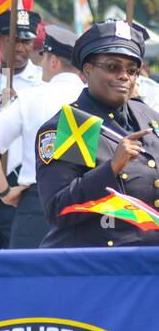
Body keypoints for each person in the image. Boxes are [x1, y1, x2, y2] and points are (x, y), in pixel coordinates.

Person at [37, 21, 159, 248]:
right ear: (86, 71)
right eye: (113, 67)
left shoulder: (149, 116)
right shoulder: (76, 125)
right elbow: (59, 209)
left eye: (131, 70)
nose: (124, 76)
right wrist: (111, 167)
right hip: (98, 263)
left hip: (147, 262)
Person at [0, 24, 84, 249]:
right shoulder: (93, 98)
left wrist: (4, 191)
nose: (40, 62)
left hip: (37, 203)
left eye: (43, 57)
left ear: (53, 61)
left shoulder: (30, 97)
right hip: (86, 204)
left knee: (27, 280)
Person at [0, 7, 45, 247]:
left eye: (26, 40)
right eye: (12, 39)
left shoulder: (44, 81)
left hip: (26, 185)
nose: (19, 47)